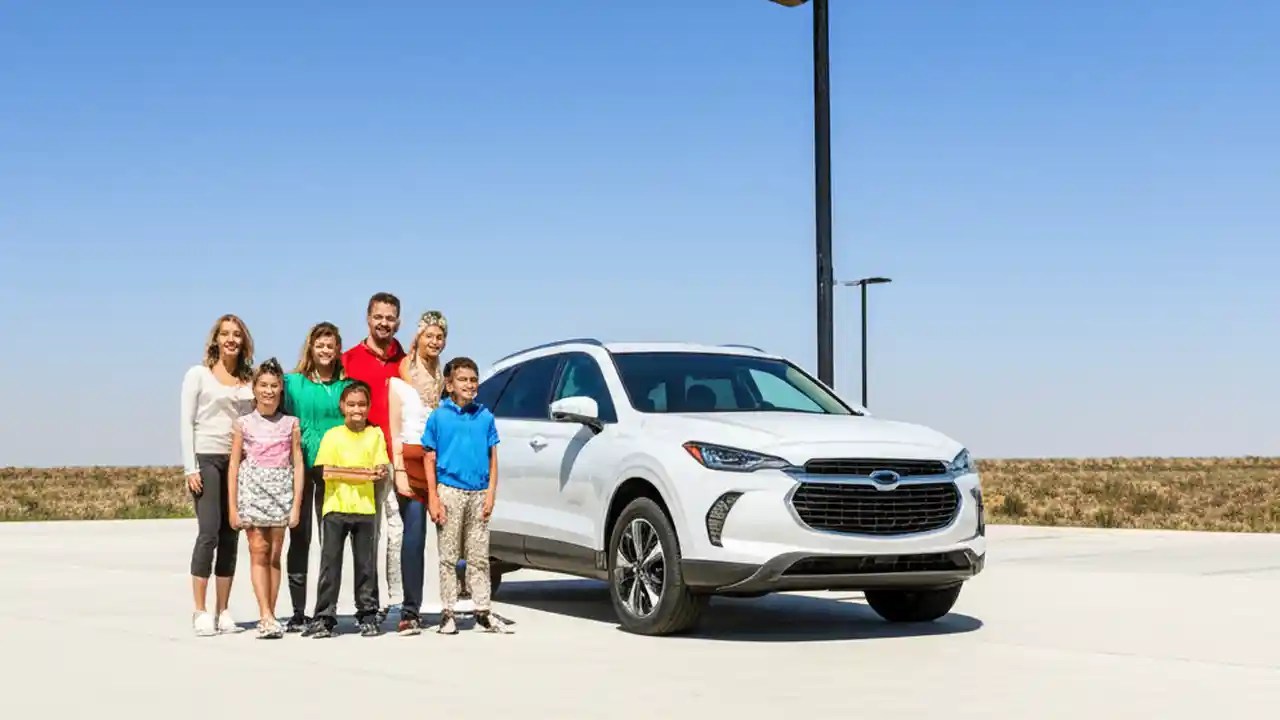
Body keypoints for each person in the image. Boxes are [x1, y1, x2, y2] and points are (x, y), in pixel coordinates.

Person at [180, 313, 256, 637]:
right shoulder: (198, 375)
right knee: (208, 531)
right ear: (216, 339)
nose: (231, 339)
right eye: (225, 334)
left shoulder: (248, 381)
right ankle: (199, 611)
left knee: (230, 533)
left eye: (237, 334)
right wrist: (190, 467)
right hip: (207, 457)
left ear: (244, 341)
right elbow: (186, 421)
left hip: (236, 460)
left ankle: (222, 610)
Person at [422, 357, 509, 634]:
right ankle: (448, 613)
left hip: (479, 492)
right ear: (449, 385)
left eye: (473, 380)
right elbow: (428, 457)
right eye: (463, 380)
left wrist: (491, 493)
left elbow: (493, 457)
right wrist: (433, 497)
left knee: (479, 555)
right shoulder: (439, 416)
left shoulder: (485, 416)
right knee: (448, 556)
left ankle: (482, 609)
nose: (470, 385)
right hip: (449, 490)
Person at [226, 358, 304, 639]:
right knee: (257, 550)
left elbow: (297, 462)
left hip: (281, 491)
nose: (268, 391)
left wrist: (296, 505)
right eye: (263, 385)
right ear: (254, 388)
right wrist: (232, 507)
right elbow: (234, 464)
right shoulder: (243, 424)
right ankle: (265, 615)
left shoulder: (291, 423)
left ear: (281, 389)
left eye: (274, 386)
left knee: (274, 554)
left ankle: (271, 611)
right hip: (253, 490)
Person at [341, 292, 407, 623]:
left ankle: (395, 600)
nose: (384, 323)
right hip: (362, 458)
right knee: (369, 533)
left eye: (390, 318)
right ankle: (369, 601)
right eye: (378, 316)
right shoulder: (349, 359)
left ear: (398, 321)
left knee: (397, 530)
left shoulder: (406, 362)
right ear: (368, 318)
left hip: (396, 458)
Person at [281, 322, 351, 632]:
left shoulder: (345, 386)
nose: (325, 350)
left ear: (338, 350)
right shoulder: (291, 383)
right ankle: (298, 610)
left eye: (331, 345)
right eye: (320, 344)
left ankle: (326, 610)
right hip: (298, 466)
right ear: (311, 347)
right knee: (299, 537)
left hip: (332, 469)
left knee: (330, 541)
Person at [307, 381, 391, 638]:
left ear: (368, 407)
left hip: (365, 509)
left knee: (366, 565)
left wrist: (364, 474)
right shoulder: (333, 435)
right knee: (330, 564)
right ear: (343, 406)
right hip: (335, 507)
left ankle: (367, 612)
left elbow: (380, 470)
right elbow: (326, 471)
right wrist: (362, 474)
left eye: (362, 404)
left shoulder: (374, 434)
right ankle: (324, 616)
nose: (357, 409)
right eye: (352, 404)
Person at [390, 310, 448, 634]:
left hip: (437, 459)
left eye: (440, 337)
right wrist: (398, 467)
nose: (434, 341)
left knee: (448, 532)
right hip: (411, 456)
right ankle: (410, 610)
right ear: (418, 337)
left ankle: (451, 602)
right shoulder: (407, 366)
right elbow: (399, 418)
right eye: (429, 335)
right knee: (414, 535)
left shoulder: (441, 374)